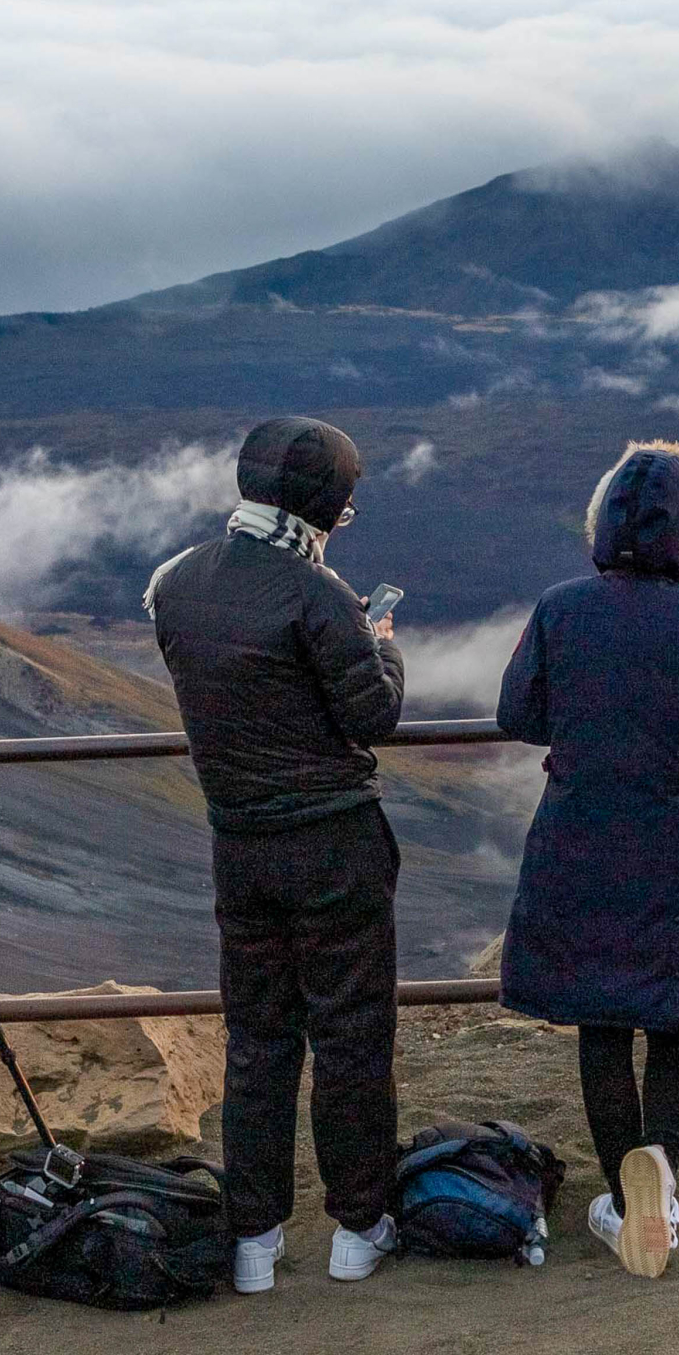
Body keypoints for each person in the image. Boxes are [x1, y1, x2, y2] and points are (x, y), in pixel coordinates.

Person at [497, 438, 679, 1279]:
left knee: (601, 1019)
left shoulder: (559, 607)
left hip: (577, 839)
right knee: (676, 1016)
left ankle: (625, 1203)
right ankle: (661, 1180)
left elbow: (520, 715)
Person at [145, 416, 405, 1295]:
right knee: (351, 1035)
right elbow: (372, 718)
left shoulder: (174, 586)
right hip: (335, 845)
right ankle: (359, 1225)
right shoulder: (320, 595)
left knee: (256, 1040)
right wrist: (383, 648)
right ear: (327, 505)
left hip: (240, 845)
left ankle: (253, 1241)